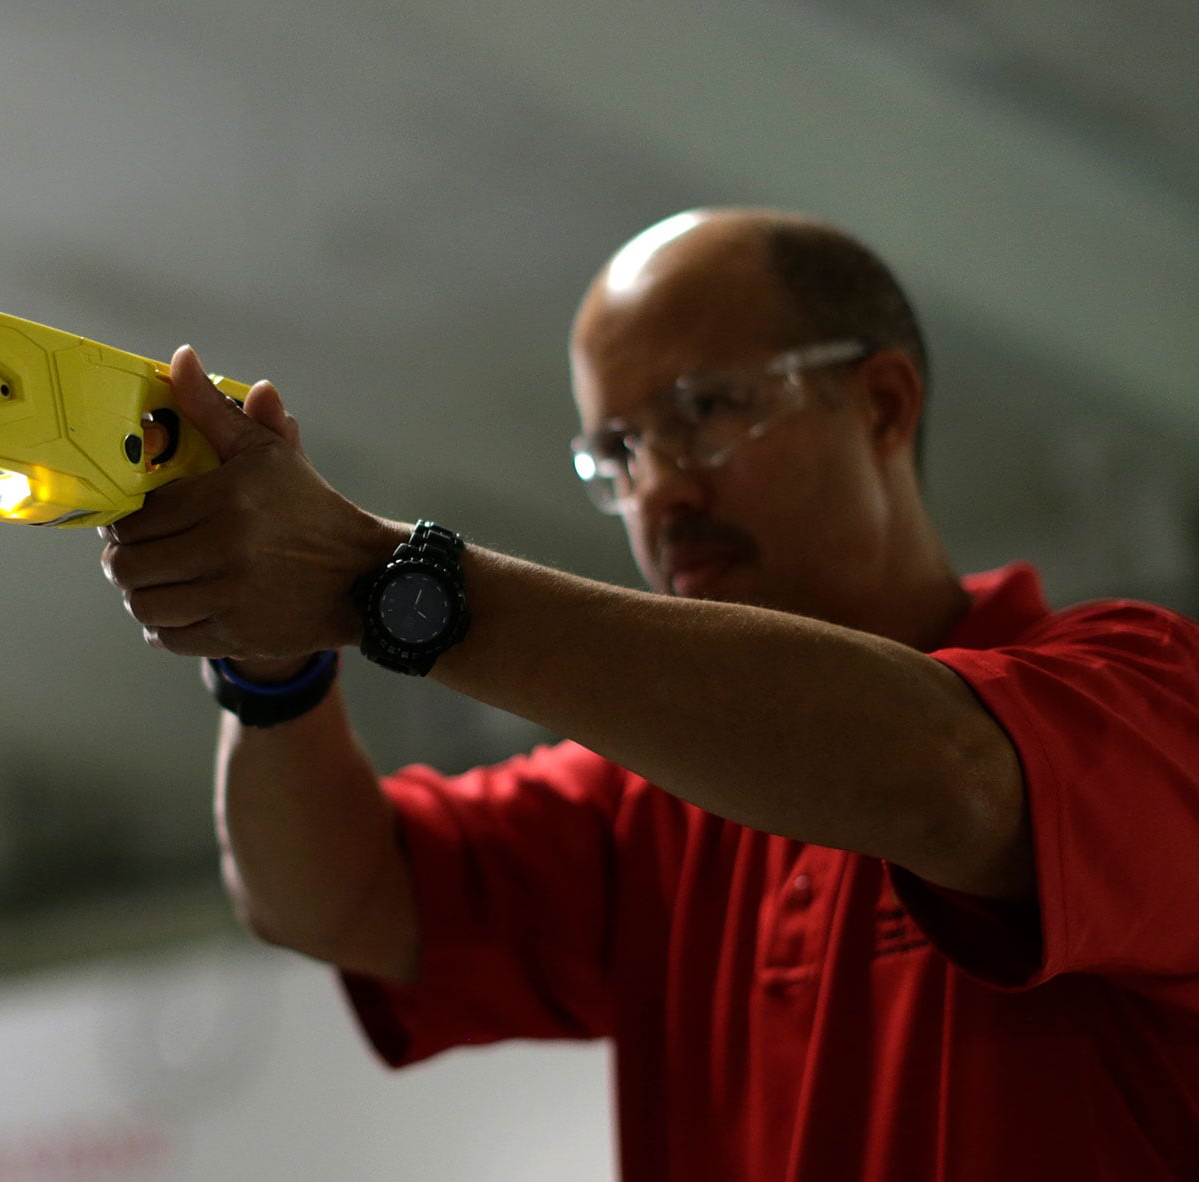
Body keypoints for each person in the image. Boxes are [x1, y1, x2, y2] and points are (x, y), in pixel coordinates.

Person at [97, 208, 1199, 1178]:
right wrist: (275, 665)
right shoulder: (653, 808)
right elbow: (332, 898)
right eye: (620, 450)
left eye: (709, 410)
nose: (662, 487)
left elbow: (948, 783)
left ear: (884, 403)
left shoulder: (1142, 695)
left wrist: (379, 580)